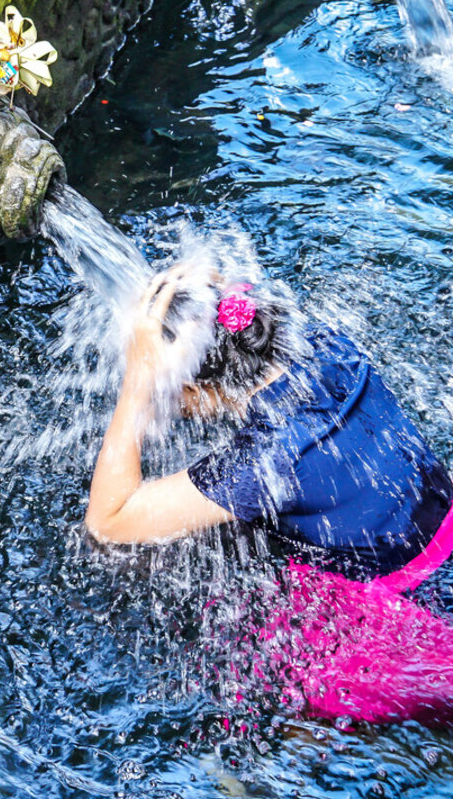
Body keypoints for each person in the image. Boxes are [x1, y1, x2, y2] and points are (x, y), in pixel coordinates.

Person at [85, 268, 453, 721]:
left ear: (196, 389)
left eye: (171, 394)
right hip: (439, 524)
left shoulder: (265, 461)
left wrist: (136, 387)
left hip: (390, 608)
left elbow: (109, 519)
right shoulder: (326, 343)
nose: (172, 407)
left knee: (282, 683)